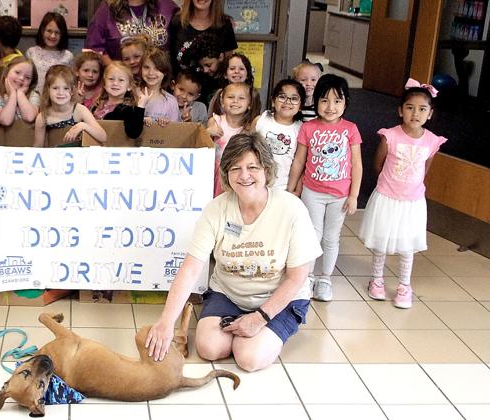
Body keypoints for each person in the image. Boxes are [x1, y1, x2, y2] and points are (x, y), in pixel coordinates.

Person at [145, 133, 321, 372]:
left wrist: (259, 318)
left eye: (252, 167)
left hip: (278, 298)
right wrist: (166, 322)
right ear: (226, 173)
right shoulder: (216, 209)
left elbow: (297, 277)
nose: (244, 175)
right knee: (208, 349)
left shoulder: (292, 209)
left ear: (266, 170)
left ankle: (264, 330)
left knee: (249, 358)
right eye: (235, 168)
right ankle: (242, 329)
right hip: (229, 294)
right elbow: (191, 268)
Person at [359, 80, 447, 309]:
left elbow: (425, 169)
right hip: (387, 197)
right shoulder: (390, 136)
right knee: (381, 240)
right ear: (400, 110)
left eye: (422, 109)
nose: (415, 113)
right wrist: (389, 186)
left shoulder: (431, 141)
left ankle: (404, 285)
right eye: (409, 107)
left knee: (408, 245)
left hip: (413, 201)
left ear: (430, 113)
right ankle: (376, 280)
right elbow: (378, 164)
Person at [287, 74, 363, 302]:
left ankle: (325, 278)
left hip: (340, 195)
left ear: (346, 103)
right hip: (313, 192)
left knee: (331, 238)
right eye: (324, 100)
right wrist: (292, 188)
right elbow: (299, 161)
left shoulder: (350, 129)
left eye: (337, 101)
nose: (330, 107)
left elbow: (356, 164)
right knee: (312, 235)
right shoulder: (309, 128)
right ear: (316, 102)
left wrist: (354, 195)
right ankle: (307, 276)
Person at [169, 0, 237, 75]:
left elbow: (227, 64)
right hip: (182, 88)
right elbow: (171, 59)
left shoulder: (224, 24)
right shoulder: (177, 21)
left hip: (213, 90)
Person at [250, 79, 305, 191]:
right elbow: (247, 149)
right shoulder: (261, 121)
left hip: (282, 186)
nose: (287, 102)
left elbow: (299, 162)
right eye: (282, 97)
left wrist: (291, 189)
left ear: (300, 106)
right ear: (273, 101)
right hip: (254, 183)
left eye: (294, 99)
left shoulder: (301, 129)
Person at [208, 82, 262, 196]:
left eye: (241, 98)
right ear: (222, 102)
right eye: (230, 97)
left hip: (238, 173)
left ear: (249, 104)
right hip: (215, 173)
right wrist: (208, 132)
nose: (235, 101)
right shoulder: (215, 121)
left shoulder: (250, 127)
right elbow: (201, 143)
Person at [34, 65, 107, 147]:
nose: (61, 93)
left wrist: (83, 126)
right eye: (55, 88)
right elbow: (38, 147)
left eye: (66, 88)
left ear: (72, 90)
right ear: (48, 89)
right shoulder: (43, 117)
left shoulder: (80, 110)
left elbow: (103, 136)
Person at [26, 12, 75, 93]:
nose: (53, 36)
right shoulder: (31, 53)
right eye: (49, 31)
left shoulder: (68, 56)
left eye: (57, 32)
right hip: (34, 99)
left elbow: (70, 82)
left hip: (58, 99)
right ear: (42, 31)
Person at [0, 56, 39, 125]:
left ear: (31, 82)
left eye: (27, 77)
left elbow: (29, 117)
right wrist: (13, 95)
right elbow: (6, 121)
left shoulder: (33, 95)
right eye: (17, 72)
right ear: (7, 72)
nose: (21, 78)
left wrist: (20, 94)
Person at [141, 47, 179, 126]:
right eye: (146, 67)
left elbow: (175, 132)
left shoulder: (171, 102)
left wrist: (167, 124)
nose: (151, 73)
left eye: (157, 68)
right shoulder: (133, 94)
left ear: (165, 72)